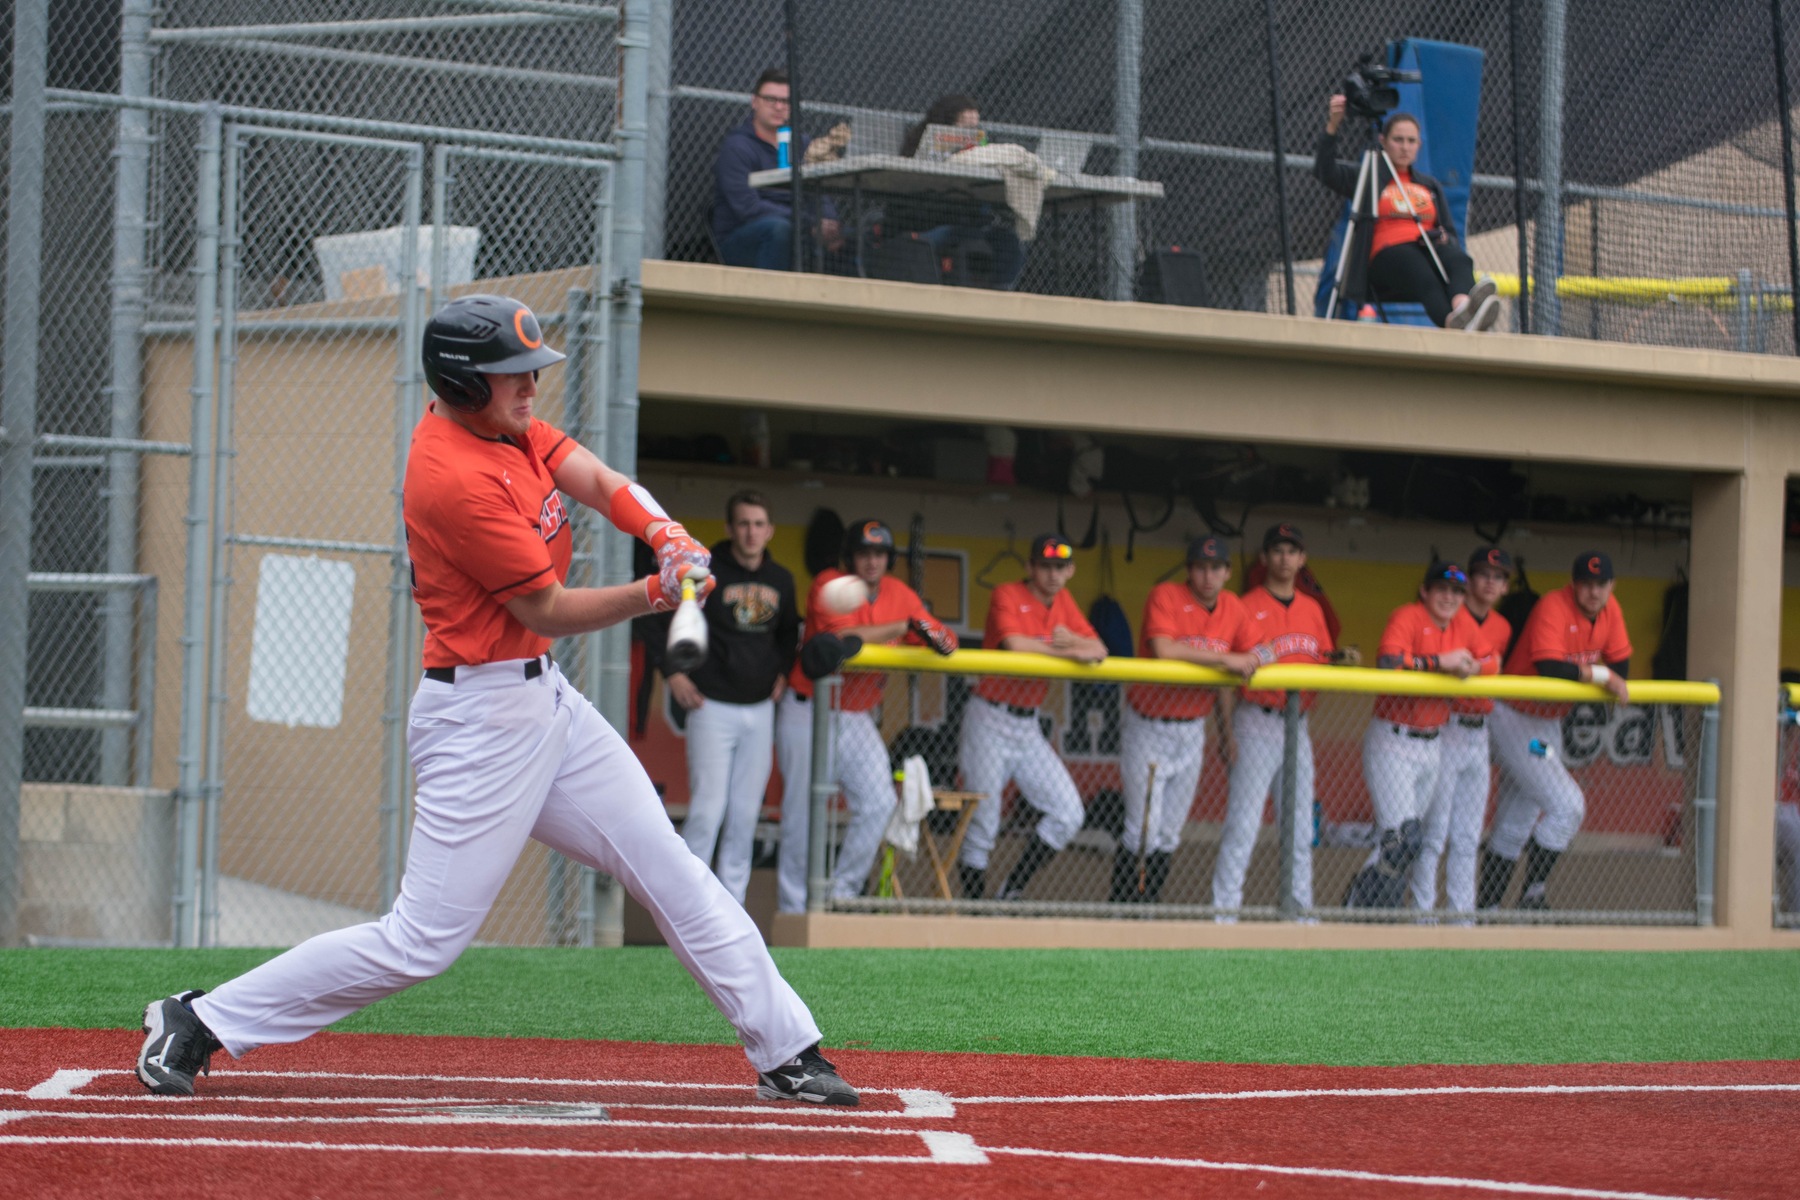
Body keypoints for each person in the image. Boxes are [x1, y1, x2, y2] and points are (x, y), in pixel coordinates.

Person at [136, 295, 857, 1108]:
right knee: (422, 943)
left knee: (670, 869)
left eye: (530, 372)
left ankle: (786, 1048)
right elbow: (545, 608)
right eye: (512, 376)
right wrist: (656, 590)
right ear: (462, 381)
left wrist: (665, 531)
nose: (531, 388)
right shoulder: (451, 476)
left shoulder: (505, 429)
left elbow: (597, 477)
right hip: (476, 719)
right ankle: (198, 1019)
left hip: (543, 700)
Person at [774, 520, 956, 913]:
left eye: (879, 554)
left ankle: (840, 895)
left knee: (877, 804)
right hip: (809, 711)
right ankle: (793, 911)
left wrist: (930, 632)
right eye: (863, 553)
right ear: (850, 556)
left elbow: (941, 637)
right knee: (802, 815)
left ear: (888, 559)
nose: (871, 561)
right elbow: (843, 640)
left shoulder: (899, 593)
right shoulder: (829, 582)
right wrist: (903, 626)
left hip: (857, 717)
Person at [661, 490, 797, 905]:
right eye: (743, 523)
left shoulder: (781, 579)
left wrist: (783, 673)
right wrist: (672, 674)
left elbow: (790, 633)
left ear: (770, 530)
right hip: (711, 706)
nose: (751, 532)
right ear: (729, 528)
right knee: (706, 811)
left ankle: (730, 910)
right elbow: (669, 619)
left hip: (759, 709)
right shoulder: (707, 570)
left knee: (745, 815)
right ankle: (689, 907)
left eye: (759, 524)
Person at [1479, 550, 1632, 911]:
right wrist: (1601, 675)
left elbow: (1622, 663)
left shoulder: (1611, 611)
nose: (1593, 592)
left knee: (1518, 821)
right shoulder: (1554, 605)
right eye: (1586, 584)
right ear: (1573, 584)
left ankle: (1485, 910)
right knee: (1568, 806)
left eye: (1601, 584)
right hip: (1515, 717)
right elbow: (1549, 666)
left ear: (1612, 585)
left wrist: (1609, 673)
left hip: (1548, 722)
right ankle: (1533, 893)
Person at [957, 533, 1108, 901]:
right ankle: (975, 909)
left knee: (1068, 813)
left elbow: (1099, 649)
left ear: (1070, 570)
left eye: (1060, 567)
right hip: (989, 719)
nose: (1053, 575)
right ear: (1030, 567)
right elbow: (1014, 645)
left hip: (1027, 726)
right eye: (1045, 566)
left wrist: (1071, 643)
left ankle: (1012, 890)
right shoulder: (1007, 593)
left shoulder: (1065, 603)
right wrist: (1070, 649)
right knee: (984, 823)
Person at [1113, 536, 1258, 904]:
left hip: (1193, 729)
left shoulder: (1234, 608)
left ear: (1227, 572)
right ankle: (1118, 910)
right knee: (1142, 830)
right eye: (1200, 567)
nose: (1207, 576)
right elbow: (1165, 651)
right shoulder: (1165, 595)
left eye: (1215, 568)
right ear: (1190, 570)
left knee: (1170, 833)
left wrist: (1226, 733)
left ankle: (1147, 909)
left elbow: (1252, 657)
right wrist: (1226, 659)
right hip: (1149, 725)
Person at [1345, 561, 1486, 909]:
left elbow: (1490, 659)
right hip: (1394, 740)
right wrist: (1441, 662)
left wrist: (1473, 666)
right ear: (1425, 591)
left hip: (1433, 743)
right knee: (1400, 840)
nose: (1449, 598)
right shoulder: (1407, 616)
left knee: (1401, 842)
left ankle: (1359, 906)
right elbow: (1389, 661)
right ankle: (1365, 907)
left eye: (1456, 592)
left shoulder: (1463, 625)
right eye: (1442, 589)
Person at [1212, 523, 1335, 920]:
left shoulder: (1314, 609)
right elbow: (1225, 677)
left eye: (1292, 551)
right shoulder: (1243, 605)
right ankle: (1225, 912)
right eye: (1277, 550)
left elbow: (1325, 662)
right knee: (1243, 824)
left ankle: (1299, 908)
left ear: (1303, 560)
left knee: (1299, 829)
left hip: (1297, 724)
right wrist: (1226, 732)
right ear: (1264, 558)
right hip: (1255, 721)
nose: (1284, 558)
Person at [1315, 97, 1499, 331]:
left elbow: (1449, 232)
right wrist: (1333, 126)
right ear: (1383, 142)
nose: (1404, 147)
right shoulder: (1369, 176)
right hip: (1386, 259)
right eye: (1398, 140)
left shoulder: (1429, 186)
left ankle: (1463, 310)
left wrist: (1443, 238)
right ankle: (1453, 323)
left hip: (1425, 249)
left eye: (1411, 141)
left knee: (1459, 258)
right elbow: (1325, 171)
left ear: (1418, 145)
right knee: (1419, 268)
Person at [1412, 546, 1514, 916]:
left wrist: (1479, 668)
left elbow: (1492, 670)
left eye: (1498, 576)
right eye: (1483, 574)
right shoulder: (1452, 618)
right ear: (1469, 581)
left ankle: (1461, 915)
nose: (1490, 582)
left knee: (1469, 834)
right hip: (1450, 723)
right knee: (1435, 831)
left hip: (1480, 729)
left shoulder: (1501, 627)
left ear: (1505, 587)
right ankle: (1423, 913)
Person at [712, 68, 843, 271]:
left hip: (799, 228)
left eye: (785, 101)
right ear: (755, 102)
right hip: (743, 236)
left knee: (855, 236)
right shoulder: (737, 147)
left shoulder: (802, 143)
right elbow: (748, 208)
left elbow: (820, 191)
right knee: (779, 230)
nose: (779, 107)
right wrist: (807, 223)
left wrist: (827, 221)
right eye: (771, 99)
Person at [893, 94, 1025, 289]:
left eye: (975, 129)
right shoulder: (917, 149)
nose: (971, 134)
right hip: (931, 221)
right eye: (965, 129)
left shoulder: (980, 157)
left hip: (972, 221)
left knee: (1009, 241)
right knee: (946, 236)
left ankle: (999, 293)